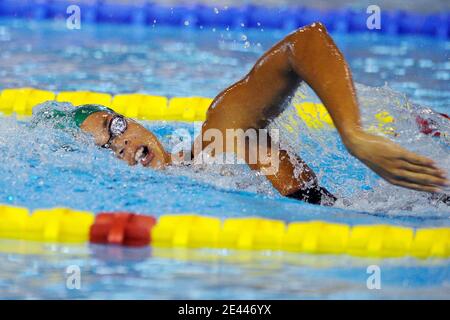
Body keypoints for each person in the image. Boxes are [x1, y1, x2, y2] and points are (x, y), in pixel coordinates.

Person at [48, 22, 449, 205]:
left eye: (115, 127)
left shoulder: (217, 138)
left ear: (133, 120)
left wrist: (353, 135)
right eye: (106, 150)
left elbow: (304, 43)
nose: (122, 146)